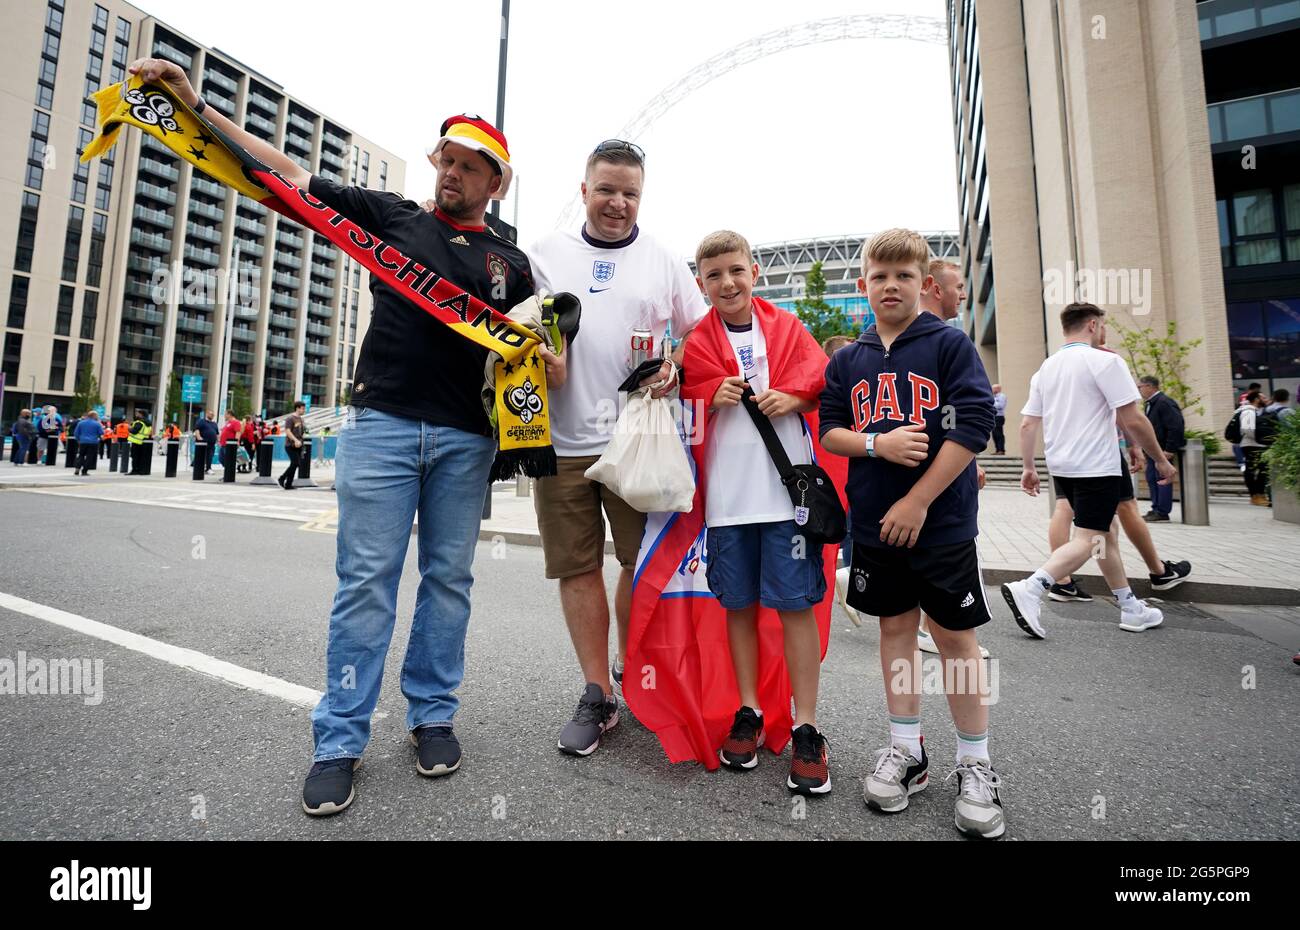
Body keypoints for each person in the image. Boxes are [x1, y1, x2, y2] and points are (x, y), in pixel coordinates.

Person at [127, 55, 536, 816]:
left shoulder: (514, 264)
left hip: (466, 441)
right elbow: (283, 173)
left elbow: (538, 356)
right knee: (365, 587)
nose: (450, 172)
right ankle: (340, 739)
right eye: (445, 158)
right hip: (380, 426)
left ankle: (432, 716)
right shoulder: (391, 215)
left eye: (469, 165)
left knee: (449, 583)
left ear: (496, 182)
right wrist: (196, 106)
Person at [525, 139, 707, 757]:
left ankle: (637, 672)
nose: (617, 203)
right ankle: (596, 692)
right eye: (606, 189)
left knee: (645, 563)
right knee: (577, 567)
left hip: (640, 442)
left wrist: (676, 367)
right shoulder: (545, 254)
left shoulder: (662, 260)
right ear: (583, 190)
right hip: (562, 441)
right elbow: (514, 331)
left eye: (630, 193)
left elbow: (698, 336)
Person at [820, 229, 1003, 839]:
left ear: (925, 283)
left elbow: (974, 423)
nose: (890, 285)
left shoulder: (949, 345)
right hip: (875, 524)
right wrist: (878, 443)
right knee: (895, 631)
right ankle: (907, 751)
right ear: (863, 285)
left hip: (941, 522)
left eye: (903, 275)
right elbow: (831, 431)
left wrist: (921, 499)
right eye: (879, 276)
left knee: (955, 640)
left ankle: (975, 763)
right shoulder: (850, 359)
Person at [681, 230, 832, 792]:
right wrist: (704, 397)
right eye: (714, 274)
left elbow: (820, 379)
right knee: (738, 607)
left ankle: (807, 725)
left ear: (756, 271)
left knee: (794, 607)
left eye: (736, 270)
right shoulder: (696, 340)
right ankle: (749, 710)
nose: (727, 282)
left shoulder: (788, 328)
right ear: (700, 284)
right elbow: (684, 405)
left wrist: (795, 397)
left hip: (785, 498)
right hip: (726, 500)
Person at [1002, 303, 1174, 638]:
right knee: (1090, 538)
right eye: (1104, 326)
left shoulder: (1045, 369)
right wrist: (1160, 459)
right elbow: (1132, 419)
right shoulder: (1106, 361)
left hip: (1062, 465)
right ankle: (1032, 588)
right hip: (1097, 465)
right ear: (1093, 325)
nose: (1105, 332)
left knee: (1105, 533)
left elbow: (1026, 425)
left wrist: (1028, 467)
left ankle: (1130, 606)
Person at [916, 258, 988, 658]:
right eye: (958, 286)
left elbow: (961, 419)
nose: (963, 293)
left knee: (912, 625)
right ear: (934, 288)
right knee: (958, 634)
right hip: (939, 507)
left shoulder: (947, 342)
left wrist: (969, 459)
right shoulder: (948, 342)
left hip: (931, 499)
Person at [1136, 375, 1184, 522]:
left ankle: (1162, 511)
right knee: (1152, 478)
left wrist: (1169, 449)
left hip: (1162, 450)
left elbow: (1175, 426)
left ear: (1150, 386)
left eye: (1140, 387)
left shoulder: (1164, 402)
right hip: (1153, 450)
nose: (1138, 390)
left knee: (1161, 479)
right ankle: (1156, 508)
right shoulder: (1151, 403)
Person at [1234, 390, 1272, 506]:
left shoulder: (1255, 411)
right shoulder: (1248, 411)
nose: (1266, 400)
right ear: (1256, 399)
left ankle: (1258, 495)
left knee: (1260, 470)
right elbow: (1247, 429)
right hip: (1252, 445)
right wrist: (1260, 438)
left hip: (1255, 444)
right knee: (1256, 470)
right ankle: (1256, 495)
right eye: (1263, 398)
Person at [278, 402, 307, 490]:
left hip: (299, 444)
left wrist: (302, 438)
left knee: (294, 464)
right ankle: (282, 478)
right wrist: (295, 440)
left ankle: (288, 484)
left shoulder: (301, 419)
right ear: (297, 408)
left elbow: (302, 432)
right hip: (290, 444)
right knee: (295, 463)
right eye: (302, 408)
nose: (303, 410)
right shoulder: (290, 418)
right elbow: (288, 431)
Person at [72, 410, 103, 475]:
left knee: (81, 455)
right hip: (93, 442)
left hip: (83, 442)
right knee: (89, 457)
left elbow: (76, 433)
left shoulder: (81, 423)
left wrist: (78, 440)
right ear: (94, 416)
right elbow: (101, 433)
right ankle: (84, 471)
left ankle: (77, 468)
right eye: (97, 415)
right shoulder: (97, 424)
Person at [126, 410, 150, 474]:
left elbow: (134, 431)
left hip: (136, 442)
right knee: (141, 457)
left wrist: (129, 428)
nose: (136, 414)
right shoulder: (148, 423)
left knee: (135, 457)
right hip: (143, 442)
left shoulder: (139, 422)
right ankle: (140, 470)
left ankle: (134, 470)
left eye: (138, 413)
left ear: (141, 415)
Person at [991, 385, 1007, 454]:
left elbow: (1000, 405)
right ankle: (997, 450)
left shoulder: (1002, 396)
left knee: (999, 433)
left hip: (999, 417)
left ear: (998, 389)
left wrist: (991, 402)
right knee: (994, 433)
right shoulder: (993, 397)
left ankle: (1001, 450)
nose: (992, 390)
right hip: (993, 416)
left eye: (993, 388)